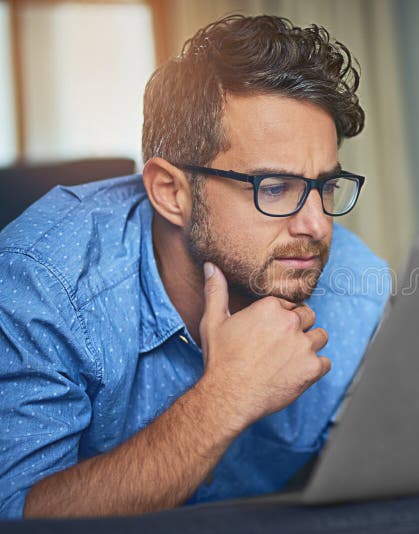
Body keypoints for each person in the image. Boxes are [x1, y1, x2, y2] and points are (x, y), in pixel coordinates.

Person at [0, 14, 389, 518]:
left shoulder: (358, 289)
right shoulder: (42, 284)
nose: (316, 226)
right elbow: (14, 515)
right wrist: (226, 397)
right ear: (172, 192)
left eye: (325, 186)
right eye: (274, 188)